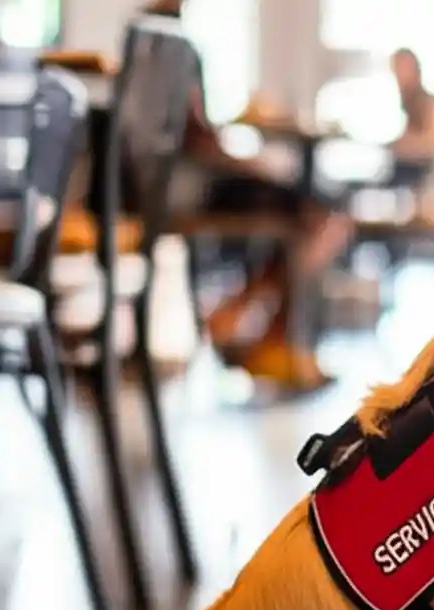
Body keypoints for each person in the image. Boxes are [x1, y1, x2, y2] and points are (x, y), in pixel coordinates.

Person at [144, 0, 352, 390]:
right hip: (190, 185)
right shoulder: (174, 44)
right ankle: (267, 333)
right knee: (320, 213)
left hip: (163, 183)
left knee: (310, 214)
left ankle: (243, 315)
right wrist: (251, 164)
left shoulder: (144, 42)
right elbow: (195, 138)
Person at [386, 48, 434, 230]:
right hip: (412, 196)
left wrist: (401, 146)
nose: (399, 77)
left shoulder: (433, 106)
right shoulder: (409, 109)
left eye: (403, 69)